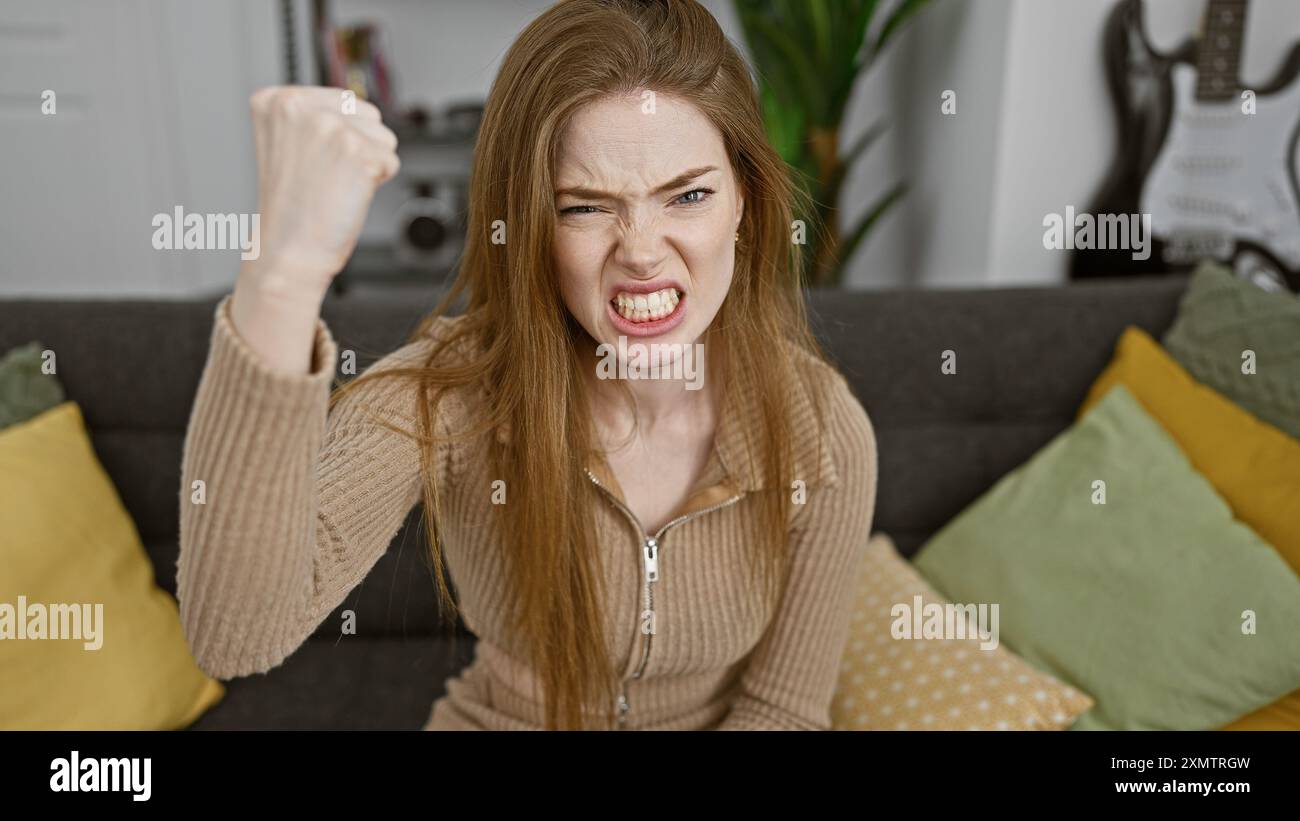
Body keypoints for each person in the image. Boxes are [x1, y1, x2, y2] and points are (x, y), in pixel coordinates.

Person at [176, 0, 878, 731]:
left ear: (744, 200)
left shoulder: (823, 432)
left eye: (688, 194)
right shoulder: (449, 390)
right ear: (530, 223)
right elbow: (234, 635)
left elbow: (783, 708)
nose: (640, 249)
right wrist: (282, 277)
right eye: (584, 207)